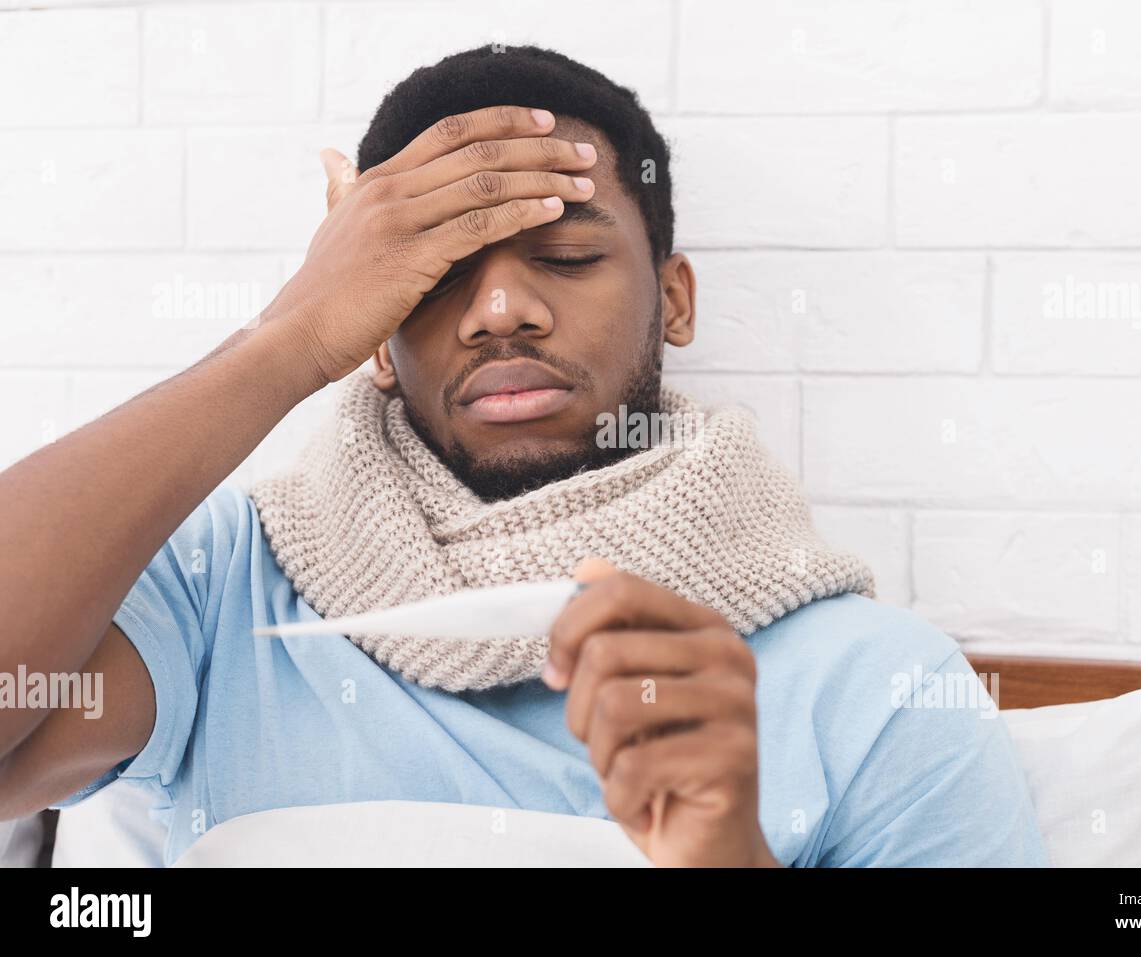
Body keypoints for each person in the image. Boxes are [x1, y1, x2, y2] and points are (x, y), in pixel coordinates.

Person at [0, 45, 1047, 868]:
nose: (502, 310)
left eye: (567, 256)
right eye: (438, 271)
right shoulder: (220, 593)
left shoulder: (877, 685)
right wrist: (289, 340)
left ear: (673, 301)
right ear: (372, 324)